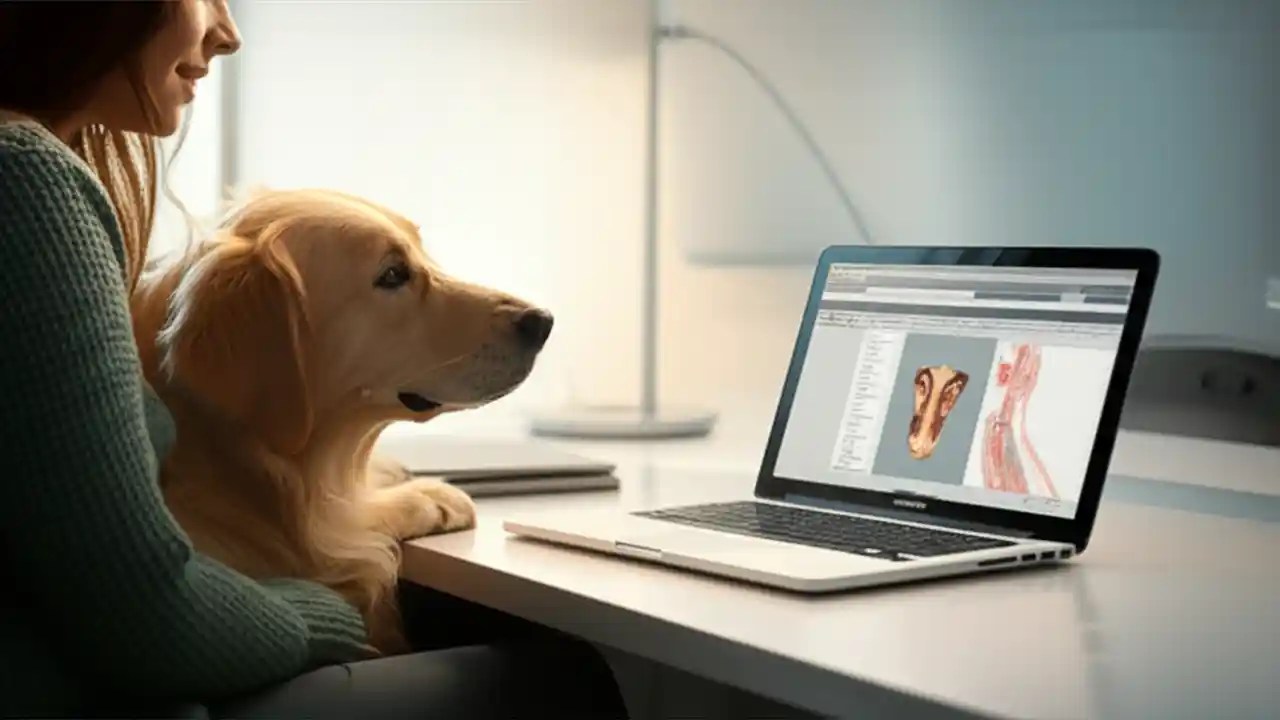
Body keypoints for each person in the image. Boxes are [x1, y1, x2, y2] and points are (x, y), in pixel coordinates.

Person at [0, 2, 626, 718]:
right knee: (556, 683)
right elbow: (142, 617)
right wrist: (328, 614)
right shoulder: (27, 183)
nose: (226, 31)